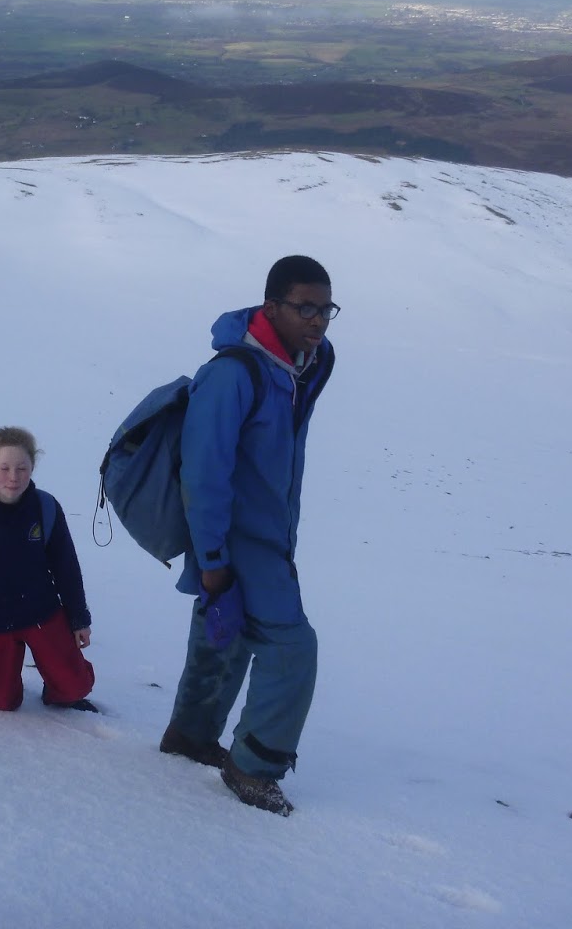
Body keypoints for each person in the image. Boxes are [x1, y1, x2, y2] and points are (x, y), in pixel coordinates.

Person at [162, 255, 338, 818]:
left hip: (271, 531)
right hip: (237, 537)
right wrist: (213, 560)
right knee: (292, 647)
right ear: (271, 307)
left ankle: (190, 736)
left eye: (325, 309)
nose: (317, 321)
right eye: (304, 307)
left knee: (227, 631)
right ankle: (253, 766)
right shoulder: (233, 375)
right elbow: (203, 474)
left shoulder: (301, 364)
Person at [0, 426, 95, 712]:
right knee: (1, 701)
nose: (13, 477)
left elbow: (67, 568)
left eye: (22, 468)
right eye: (5, 468)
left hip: (41, 613)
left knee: (76, 687)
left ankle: (57, 682)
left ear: (32, 467)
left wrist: (78, 618)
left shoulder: (45, 507)